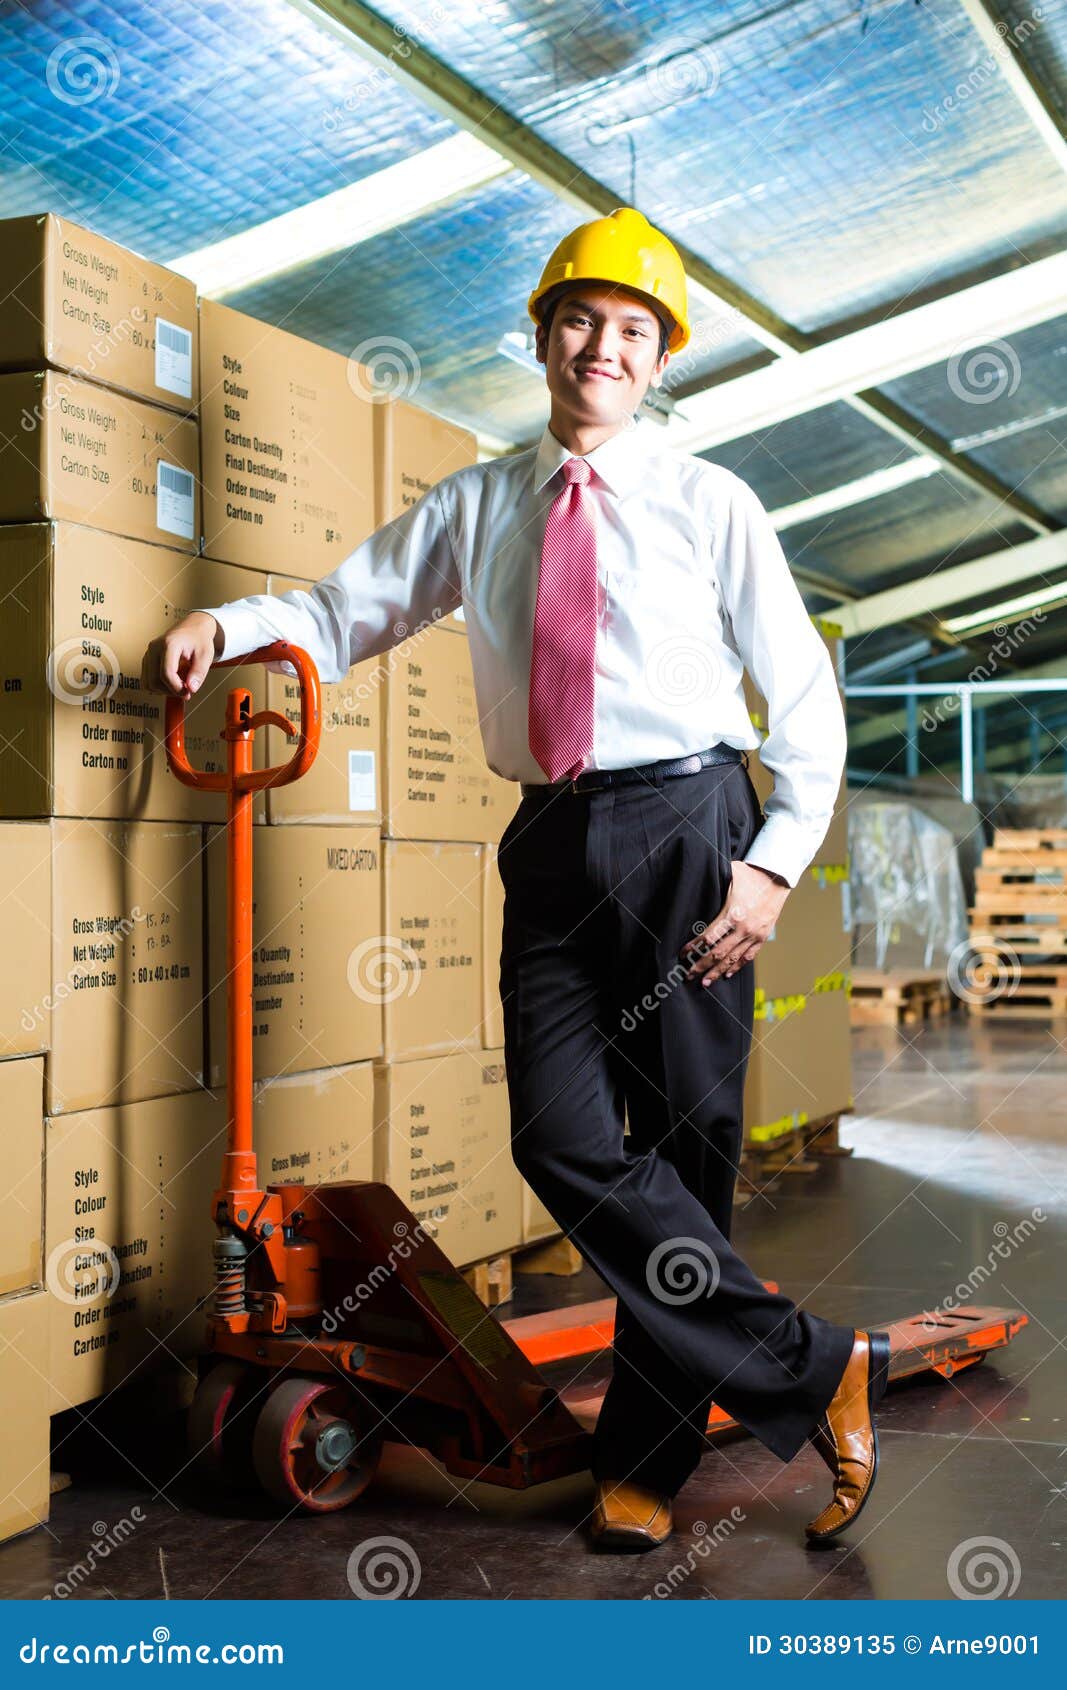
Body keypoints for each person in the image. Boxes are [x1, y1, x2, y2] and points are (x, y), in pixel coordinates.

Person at [142, 206, 889, 1556]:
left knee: (684, 1157)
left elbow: (807, 704)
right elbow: (333, 614)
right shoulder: (482, 503)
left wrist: (773, 866)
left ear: (660, 359)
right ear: (543, 334)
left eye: (634, 330)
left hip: (691, 828)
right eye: (581, 321)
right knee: (559, 1136)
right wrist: (222, 621)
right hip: (549, 837)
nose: (603, 347)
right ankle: (808, 1359)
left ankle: (646, 1464)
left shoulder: (710, 503)